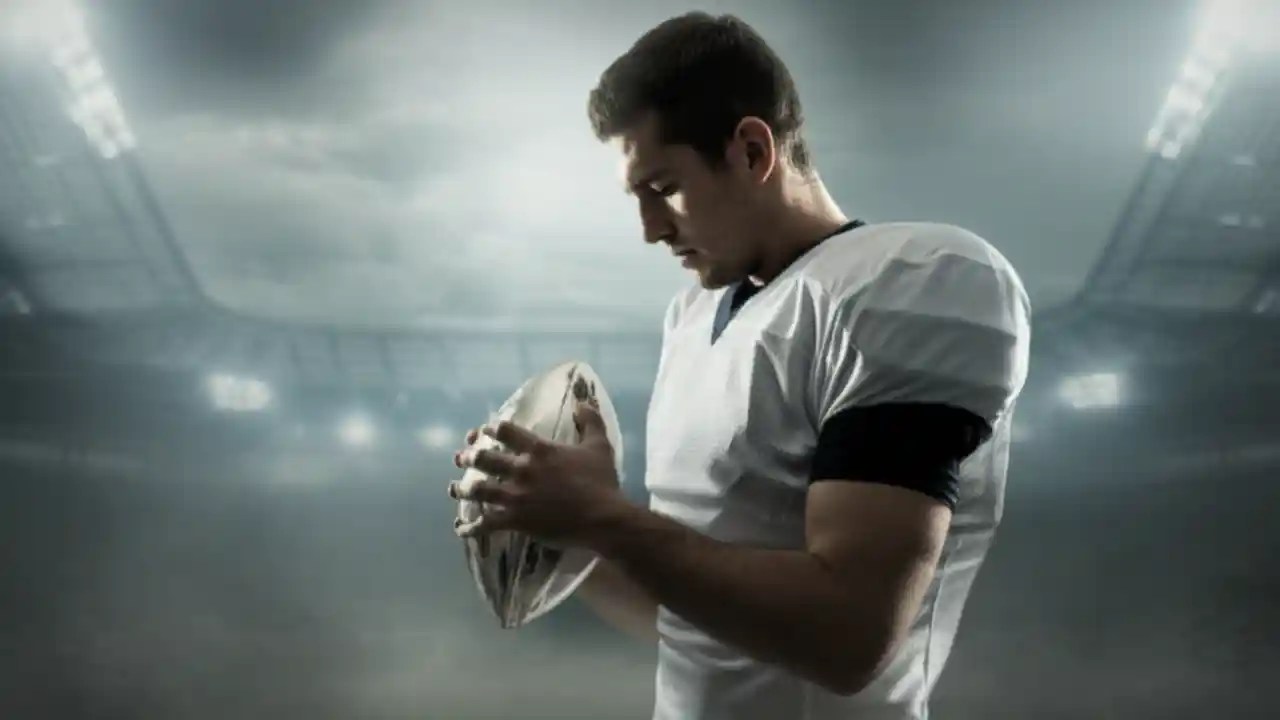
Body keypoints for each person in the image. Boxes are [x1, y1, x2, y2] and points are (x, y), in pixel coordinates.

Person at [449, 11, 1031, 720]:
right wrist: (555, 523)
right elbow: (692, 625)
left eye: (662, 188)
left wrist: (603, 519)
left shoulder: (918, 282)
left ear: (753, 151)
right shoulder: (690, 318)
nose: (649, 230)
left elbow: (847, 637)